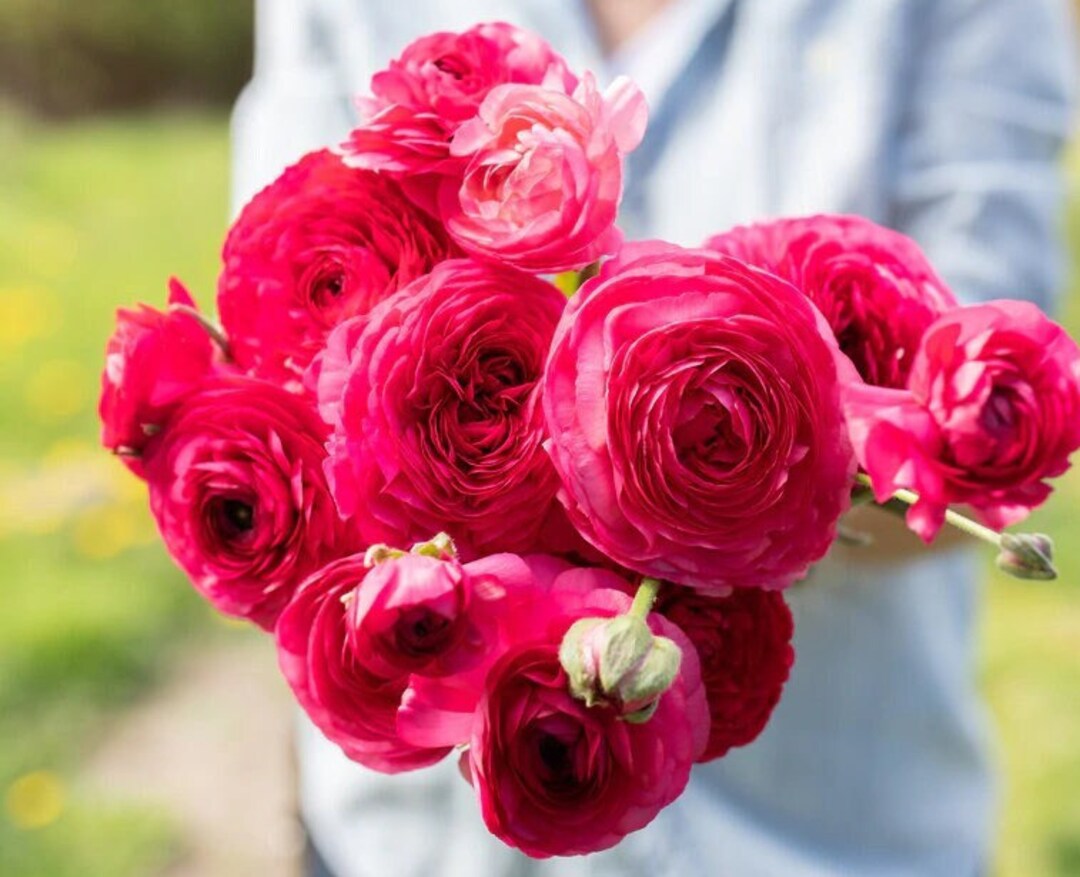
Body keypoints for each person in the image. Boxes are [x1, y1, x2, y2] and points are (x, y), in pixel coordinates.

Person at [230, 1, 1077, 874]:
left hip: (804, 838)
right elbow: (280, 350)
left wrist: (666, 490)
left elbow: (971, 423)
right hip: (406, 844)